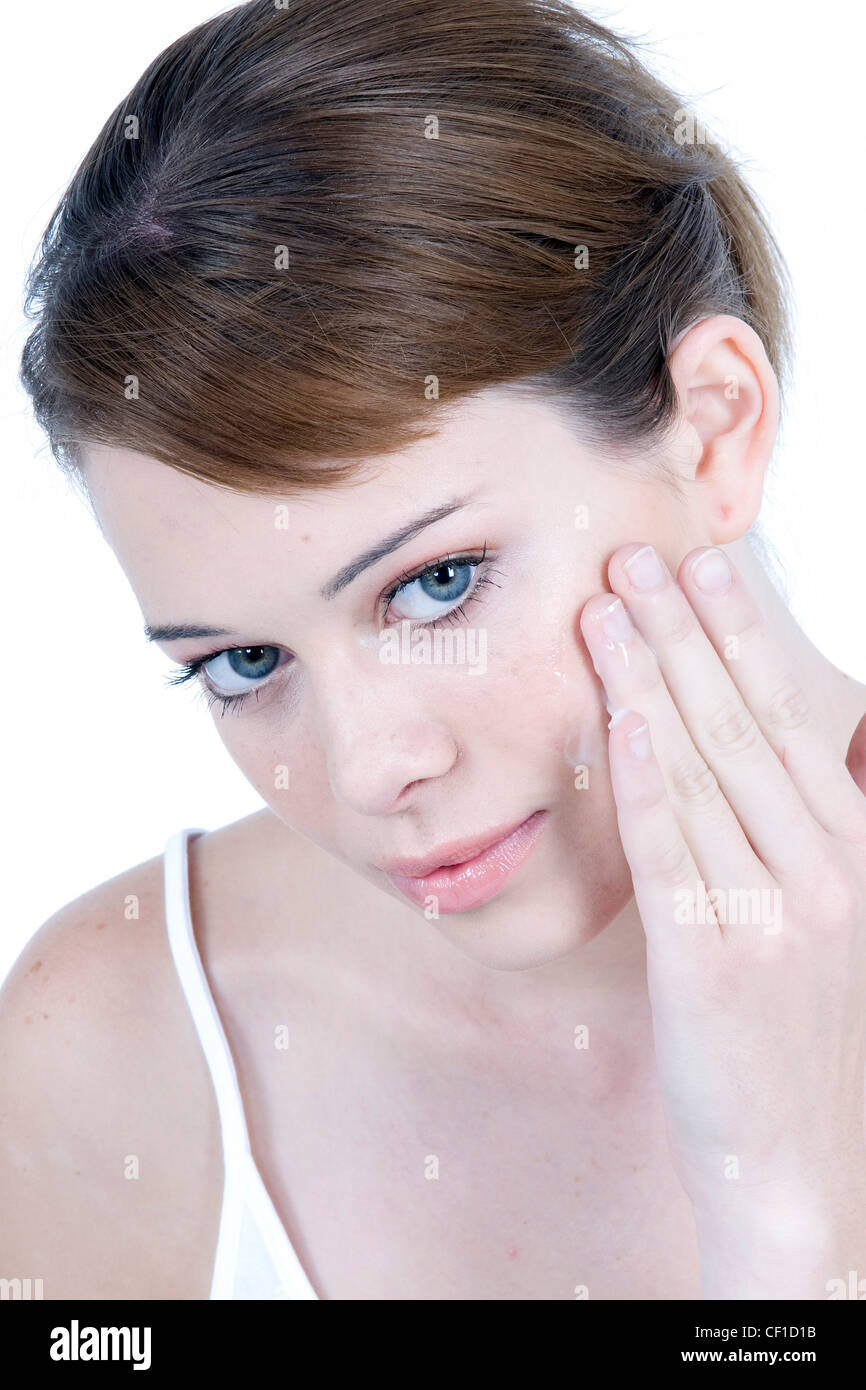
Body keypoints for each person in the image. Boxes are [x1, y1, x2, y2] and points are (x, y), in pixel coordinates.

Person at [3, 0, 865, 1301]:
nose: (367, 771)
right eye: (243, 662)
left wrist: (797, 1215)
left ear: (712, 428)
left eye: (437, 583)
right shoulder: (122, 1039)